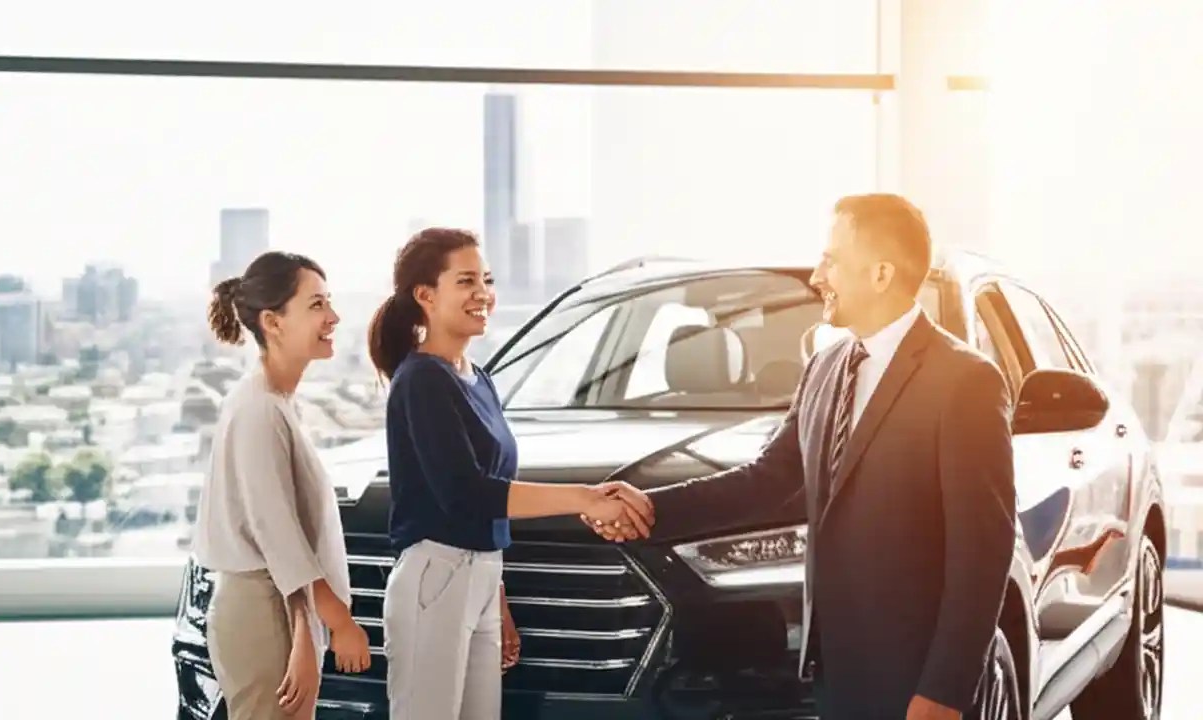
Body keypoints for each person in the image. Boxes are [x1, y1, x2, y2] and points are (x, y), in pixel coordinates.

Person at [588, 194, 1016, 720]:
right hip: (838, 671)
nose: (817, 276)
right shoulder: (826, 367)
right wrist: (649, 509)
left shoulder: (964, 381)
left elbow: (983, 553)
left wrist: (945, 691)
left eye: (831, 259)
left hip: (916, 680)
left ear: (881, 273)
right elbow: (767, 480)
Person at [367, 227, 654, 720]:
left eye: (488, 280)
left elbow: (488, 495)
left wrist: (495, 600)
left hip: (480, 575)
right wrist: (585, 498)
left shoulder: (478, 379)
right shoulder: (421, 380)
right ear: (425, 295)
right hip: (435, 577)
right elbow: (468, 495)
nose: (483, 294)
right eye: (466, 281)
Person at [192, 251, 372, 720]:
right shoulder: (259, 410)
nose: (333, 317)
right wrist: (339, 624)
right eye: (316, 305)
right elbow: (279, 540)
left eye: (329, 302)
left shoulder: (276, 402)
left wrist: (304, 632)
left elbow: (284, 540)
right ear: (273, 322)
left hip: (278, 608)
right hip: (258, 611)